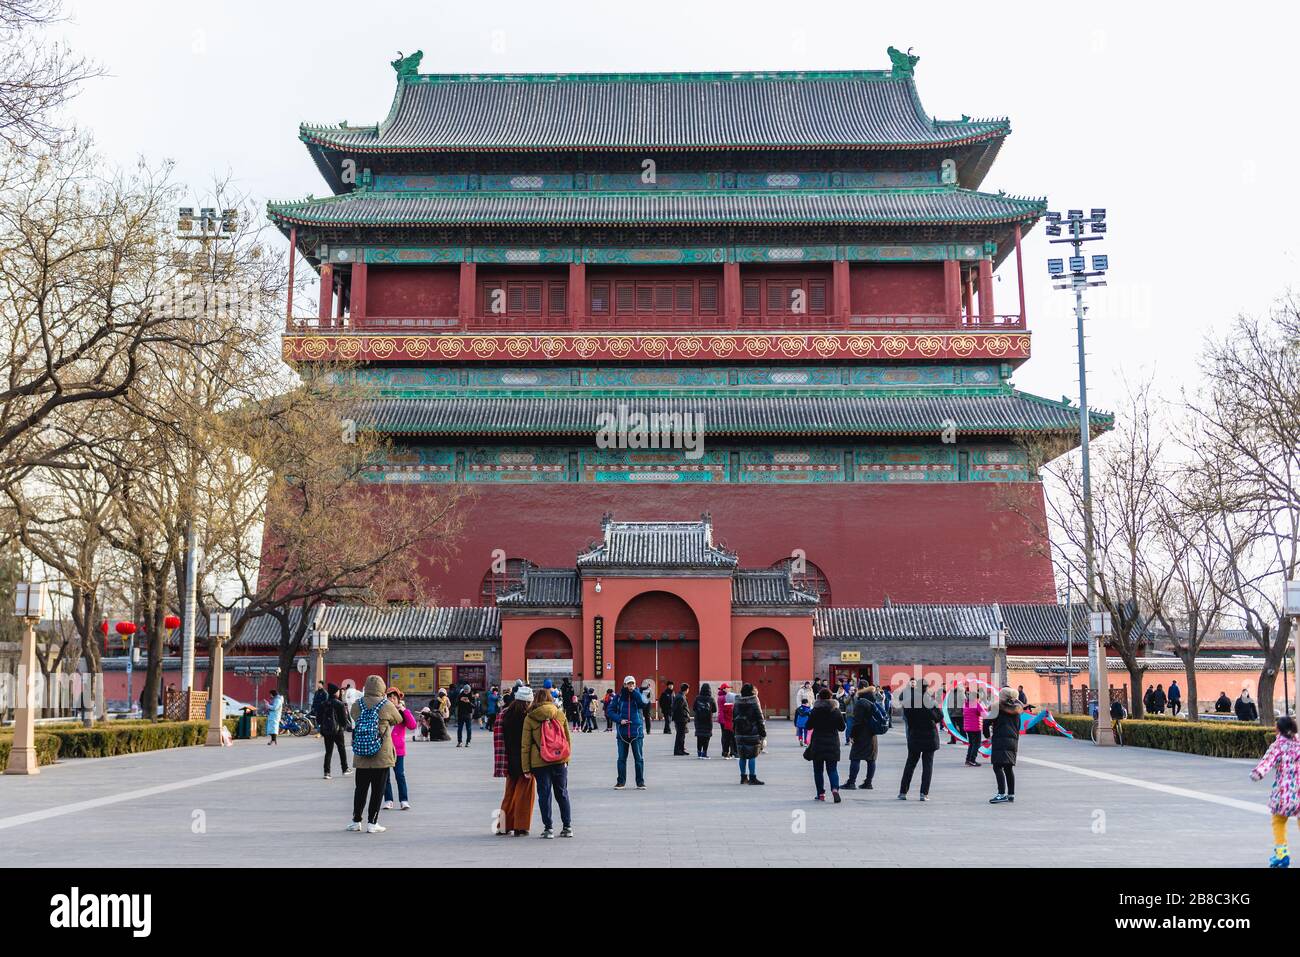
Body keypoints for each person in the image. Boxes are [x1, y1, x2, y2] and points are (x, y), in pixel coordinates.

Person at [347, 674, 403, 833]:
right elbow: (398, 719)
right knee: (378, 790)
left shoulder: (358, 704)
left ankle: (356, 821)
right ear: (382, 688)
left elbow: (353, 716)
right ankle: (372, 823)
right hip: (381, 755)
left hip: (362, 753)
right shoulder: (386, 704)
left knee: (360, 789)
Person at [521, 682, 573, 839]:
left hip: (540, 762)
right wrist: (566, 758)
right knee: (562, 793)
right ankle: (567, 827)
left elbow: (526, 745)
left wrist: (526, 768)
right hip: (559, 760)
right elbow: (567, 739)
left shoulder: (530, 718)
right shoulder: (559, 713)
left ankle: (548, 828)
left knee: (544, 795)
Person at [1250, 716, 1300, 867]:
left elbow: (1267, 762)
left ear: (1279, 729)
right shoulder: (1299, 745)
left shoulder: (1278, 746)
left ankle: (1281, 854)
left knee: (1278, 820)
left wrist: (1257, 774)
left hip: (1284, 793)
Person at [494, 686, 536, 836]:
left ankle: (503, 826)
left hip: (508, 759)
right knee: (525, 794)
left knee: (509, 793)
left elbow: (499, 738)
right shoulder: (529, 716)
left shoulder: (504, 714)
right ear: (528, 702)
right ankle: (521, 826)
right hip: (526, 760)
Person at [898, 679, 939, 801]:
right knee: (927, 765)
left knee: (910, 764)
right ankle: (923, 793)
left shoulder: (909, 702)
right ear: (926, 688)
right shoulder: (930, 701)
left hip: (914, 735)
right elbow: (939, 716)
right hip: (929, 736)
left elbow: (907, 717)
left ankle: (902, 792)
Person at [805, 688, 845, 803]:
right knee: (832, 769)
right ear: (831, 697)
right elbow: (842, 728)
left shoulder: (815, 711)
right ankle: (835, 789)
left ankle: (821, 793)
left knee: (818, 770)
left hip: (818, 743)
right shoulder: (836, 710)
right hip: (832, 743)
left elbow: (808, 726)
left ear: (819, 697)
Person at [609, 676, 648, 790]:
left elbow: (643, 705)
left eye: (633, 684)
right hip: (622, 732)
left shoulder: (637, 694)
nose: (631, 686)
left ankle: (640, 782)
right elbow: (610, 711)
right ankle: (621, 782)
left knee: (639, 758)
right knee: (621, 758)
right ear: (624, 685)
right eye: (629, 684)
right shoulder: (618, 697)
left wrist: (635, 693)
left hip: (636, 731)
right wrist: (619, 719)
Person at [381, 687, 417, 811]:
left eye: (394, 698)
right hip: (384, 749)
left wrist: (405, 710)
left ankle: (404, 800)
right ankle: (388, 800)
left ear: (398, 699)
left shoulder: (402, 712)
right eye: (389, 697)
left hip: (398, 750)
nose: (392, 699)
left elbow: (412, 726)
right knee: (384, 776)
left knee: (400, 775)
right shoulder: (382, 711)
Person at [845, 685, 884, 790]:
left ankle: (851, 782)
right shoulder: (872, 703)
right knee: (871, 759)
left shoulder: (861, 703)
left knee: (855, 757)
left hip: (861, 735)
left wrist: (852, 735)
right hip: (872, 735)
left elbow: (857, 722)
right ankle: (868, 783)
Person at [988, 687, 1023, 804]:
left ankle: (1001, 794)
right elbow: (1018, 727)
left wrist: (987, 735)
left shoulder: (996, 708)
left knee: (997, 767)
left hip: (999, 740)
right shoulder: (1017, 710)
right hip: (1013, 741)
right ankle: (1011, 794)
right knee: (1008, 768)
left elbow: (986, 723)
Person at [733, 683, 767, 785]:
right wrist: (763, 732)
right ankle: (752, 777)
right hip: (752, 732)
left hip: (739, 732)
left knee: (742, 755)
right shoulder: (754, 701)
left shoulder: (737, 702)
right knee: (752, 755)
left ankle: (743, 777)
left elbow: (733, 716)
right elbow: (759, 718)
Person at [319, 683, 353, 779]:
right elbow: (343, 719)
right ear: (335, 692)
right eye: (338, 691)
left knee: (328, 751)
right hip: (338, 731)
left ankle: (327, 772)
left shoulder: (323, 704)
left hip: (326, 731)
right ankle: (345, 768)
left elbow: (318, 718)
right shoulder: (340, 704)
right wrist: (343, 727)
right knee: (341, 749)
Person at [961, 688, 986, 767]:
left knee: (971, 744)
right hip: (975, 727)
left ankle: (968, 759)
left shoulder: (965, 704)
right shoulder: (977, 704)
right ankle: (972, 760)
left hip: (968, 728)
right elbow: (985, 715)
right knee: (976, 744)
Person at [693, 683, 716, 758]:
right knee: (706, 737)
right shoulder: (711, 699)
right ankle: (704, 753)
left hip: (698, 720)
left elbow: (694, 708)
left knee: (699, 737)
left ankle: (699, 753)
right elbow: (714, 710)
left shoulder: (697, 698)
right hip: (708, 721)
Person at [717, 683, 735, 758]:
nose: (729, 689)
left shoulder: (720, 697)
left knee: (724, 735)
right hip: (726, 718)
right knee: (730, 735)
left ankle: (724, 751)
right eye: (727, 688)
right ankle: (730, 751)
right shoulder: (725, 697)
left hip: (721, 718)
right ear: (724, 689)